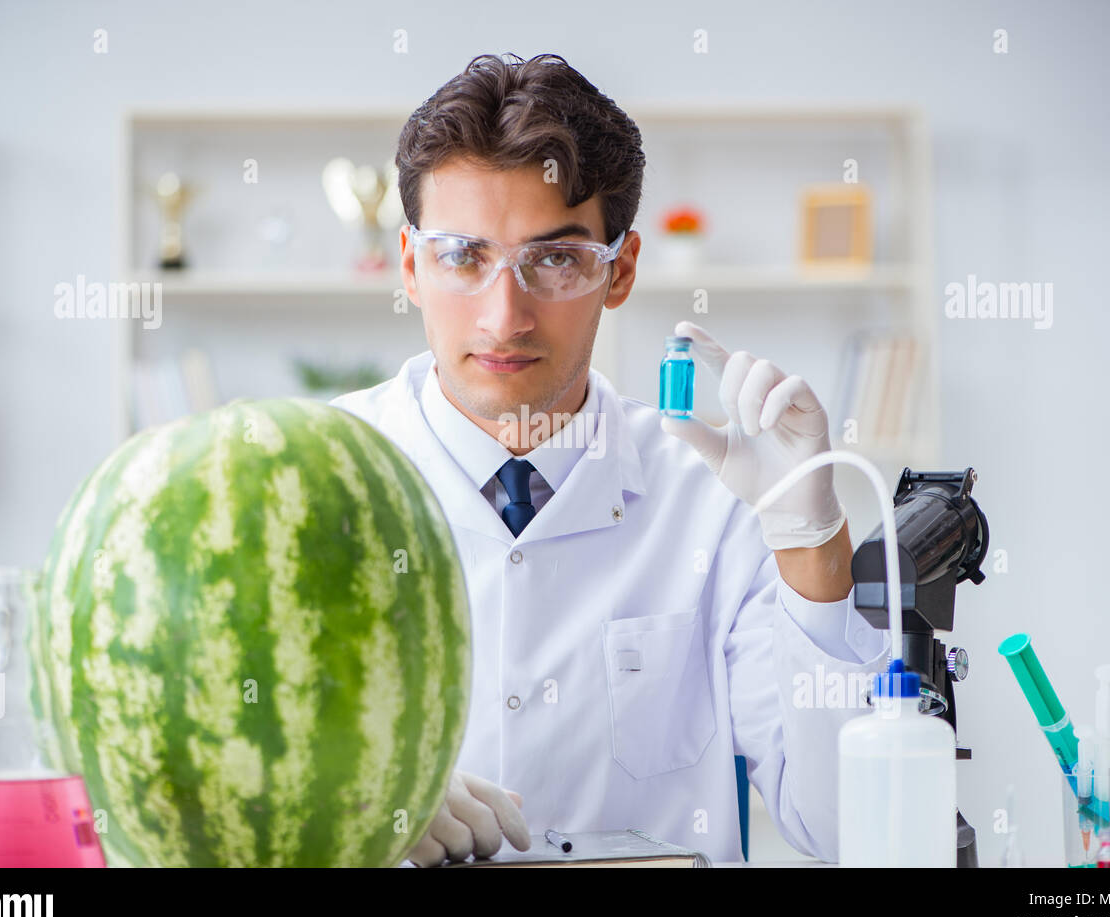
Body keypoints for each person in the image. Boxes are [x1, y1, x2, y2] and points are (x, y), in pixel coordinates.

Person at [331, 52, 889, 867]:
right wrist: (361, 804)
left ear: (619, 269)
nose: (505, 314)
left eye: (554, 259)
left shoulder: (716, 493)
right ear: (411, 266)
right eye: (464, 255)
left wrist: (813, 540)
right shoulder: (321, 476)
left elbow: (849, 828)